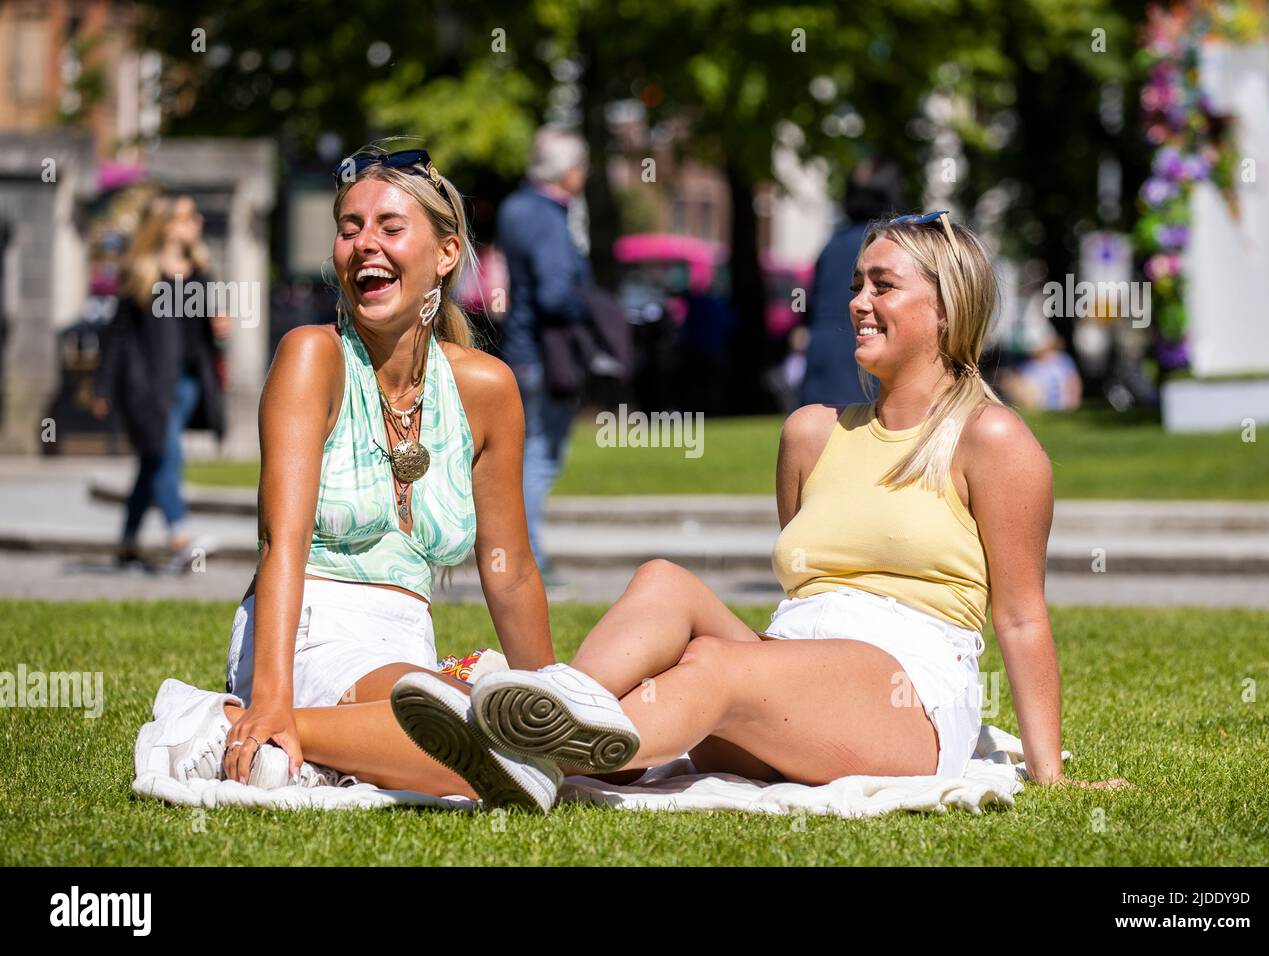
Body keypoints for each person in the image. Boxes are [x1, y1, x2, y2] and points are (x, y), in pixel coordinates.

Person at [392, 210, 1131, 793]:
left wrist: (1051, 772)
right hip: (789, 673)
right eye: (855, 285)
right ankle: (556, 711)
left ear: (947, 309)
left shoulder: (991, 438)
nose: (858, 304)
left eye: (883, 286)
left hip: (908, 700)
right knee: (664, 582)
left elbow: (1022, 615)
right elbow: (806, 591)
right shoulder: (813, 433)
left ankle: (537, 747)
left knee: (712, 667)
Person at [133, 146, 566, 812]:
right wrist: (272, 696)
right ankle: (243, 723)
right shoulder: (313, 358)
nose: (366, 244)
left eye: (390, 228)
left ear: (446, 254)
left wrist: (553, 709)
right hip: (305, 629)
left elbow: (508, 573)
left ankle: (277, 747)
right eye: (350, 228)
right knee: (472, 743)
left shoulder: (487, 390)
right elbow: (284, 543)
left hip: (403, 650)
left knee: (509, 747)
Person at [92, 193, 228, 571]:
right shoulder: (140, 271)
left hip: (188, 382)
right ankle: (180, 536)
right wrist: (103, 386)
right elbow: (116, 333)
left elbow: (205, 330)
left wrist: (218, 326)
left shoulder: (200, 270)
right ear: (167, 225)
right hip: (148, 383)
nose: (196, 222)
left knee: (153, 458)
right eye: (187, 216)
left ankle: (126, 543)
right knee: (167, 452)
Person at [494, 126, 593, 586]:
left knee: (525, 454)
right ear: (569, 171)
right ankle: (528, 557)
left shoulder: (514, 209)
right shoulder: (549, 218)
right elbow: (555, 294)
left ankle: (520, 552)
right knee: (540, 456)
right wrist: (590, 304)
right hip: (545, 354)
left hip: (519, 348)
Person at [799, 160, 902, 406]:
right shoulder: (888, 246)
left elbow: (808, 304)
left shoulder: (832, 244)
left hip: (826, 352)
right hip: (861, 346)